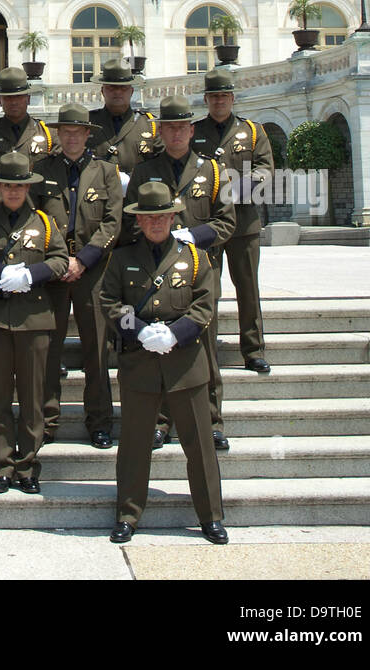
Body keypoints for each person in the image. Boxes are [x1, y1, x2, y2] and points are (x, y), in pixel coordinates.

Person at [100, 181, 228, 545]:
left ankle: (211, 516)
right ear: (138, 221)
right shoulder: (122, 259)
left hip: (185, 362)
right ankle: (127, 514)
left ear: (173, 217)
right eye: (148, 218)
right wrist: (138, 330)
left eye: (162, 216)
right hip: (139, 362)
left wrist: (176, 333)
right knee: (134, 445)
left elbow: (206, 304)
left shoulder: (196, 257)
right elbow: (109, 302)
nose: (155, 223)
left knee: (200, 445)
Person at [124, 95, 234, 451]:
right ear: (161, 131)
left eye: (181, 127)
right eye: (168, 128)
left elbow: (226, 222)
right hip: (154, 271)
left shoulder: (213, 170)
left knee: (205, 347)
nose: (175, 134)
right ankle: (160, 421)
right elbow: (131, 223)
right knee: (157, 348)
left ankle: (212, 419)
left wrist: (194, 236)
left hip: (198, 270)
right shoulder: (144, 171)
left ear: (191, 129)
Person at [0, 153, 68, 494]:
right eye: (7, 185)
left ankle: (28, 466)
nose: (13, 191)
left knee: (33, 398)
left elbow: (62, 259)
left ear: (27, 187)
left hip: (34, 318)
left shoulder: (45, 223)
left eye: (19, 185)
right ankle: (2, 465)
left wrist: (32, 275)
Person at [31, 104, 123, 448]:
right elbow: (34, 219)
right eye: (65, 131)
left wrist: (82, 260)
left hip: (93, 270)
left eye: (77, 131)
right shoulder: (41, 170)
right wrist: (58, 259)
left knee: (96, 350)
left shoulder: (106, 172)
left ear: (88, 134)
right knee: (48, 350)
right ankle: (48, 420)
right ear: (58, 134)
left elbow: (113, 222)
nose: (71, 137)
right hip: (53, 271)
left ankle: (99, 421)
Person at [193, 68, 274, 375]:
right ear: (206, 99)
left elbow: (265, 170)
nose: (218, 102)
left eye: (224, 96)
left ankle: (253, 350)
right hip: (208, 224)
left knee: (248, 288)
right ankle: (204, 350)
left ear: (232, 98)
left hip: (242, 223)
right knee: (207, 290)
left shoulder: (252, 131)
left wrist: (229, 188)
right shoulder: (194, 131)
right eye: (213, 97)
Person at [87, 62, 159, 181]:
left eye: (123, 87)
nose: (117, 92)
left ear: (131, 91)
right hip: (97, 194)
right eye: (111, 87)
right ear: (102, 91)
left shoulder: (150, 124)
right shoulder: (87, 123)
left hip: (137, 194)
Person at [0, 66, 57, 163]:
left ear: (28, 99)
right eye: (8, 97)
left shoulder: (48, 133)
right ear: (0, 101)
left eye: (19, 96)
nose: (14, 102)